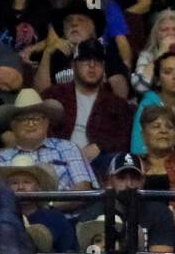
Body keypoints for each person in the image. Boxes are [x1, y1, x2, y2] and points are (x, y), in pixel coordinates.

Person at [42, 39, 134, 169]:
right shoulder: (55, 95)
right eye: (85, 60)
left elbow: (124, 139)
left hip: (98, 163)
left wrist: (100, 146)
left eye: (98, 61)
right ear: (73, 65)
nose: (92, 65)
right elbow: (41, 128)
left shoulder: (117, 104)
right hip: (56, 159)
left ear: (104, 67)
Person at [0, 88, 96, 193]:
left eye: (36, 119)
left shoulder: (68, 148)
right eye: (24, 119)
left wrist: (50, 206)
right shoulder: (2, 158)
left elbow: (83, 188)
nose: (31, 124)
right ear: (13, 125)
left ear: (47, 122)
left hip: (64, 208)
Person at [77, 152, 175, 253]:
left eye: (135, 178)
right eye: (121, 178)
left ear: (143, 180)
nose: (129, 184)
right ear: (110, 180)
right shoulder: (93, 214)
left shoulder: (159, 212)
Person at [34, 0, 130, 99]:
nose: (73, 24)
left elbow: (121, 95)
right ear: (63, 30)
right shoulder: (55, 55)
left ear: (93, 28)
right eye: (68, 21)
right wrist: (47, 54)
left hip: (96, 109)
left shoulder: (105, 52)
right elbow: (40, 94)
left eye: (80, 20)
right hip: (60, 109)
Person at [61, 0, 133, 67]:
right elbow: (52, 42)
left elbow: (121, 42)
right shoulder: (63, 8)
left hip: (103, 60)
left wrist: (126, 69)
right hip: (70, 63)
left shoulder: (109, 6)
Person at [134, 105, 175, 221]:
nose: (164, 131)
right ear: (143, 136)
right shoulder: (133, 165)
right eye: (156, 126)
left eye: (169, 127)